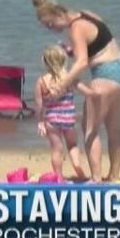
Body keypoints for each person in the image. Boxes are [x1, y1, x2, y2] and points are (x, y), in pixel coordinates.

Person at [33, 0, 120, 182]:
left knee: (90, 130)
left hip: (106, 74)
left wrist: (62, 84)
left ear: (57, 14)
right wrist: (72, 51)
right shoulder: (88, 14)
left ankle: (96, 179)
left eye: (49, 24)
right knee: (113, 127)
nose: (51, 29)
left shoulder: (75, 28)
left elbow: (81, 63)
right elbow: (99, 43)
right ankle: (113, 176)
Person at [35, 45, 92, 180]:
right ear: (63, 61)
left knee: (56, 149)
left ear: (45, 62)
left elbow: (39, 105)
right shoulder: (68, 77)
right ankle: (79, 170)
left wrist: (40, 122)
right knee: (72, 145)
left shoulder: (42, 81)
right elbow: (86, 92)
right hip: (68, 118)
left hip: (51, 120)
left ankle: (59, 178)